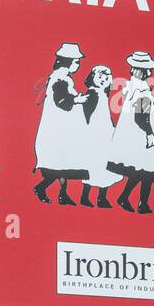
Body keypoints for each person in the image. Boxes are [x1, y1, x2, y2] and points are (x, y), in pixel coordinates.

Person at [106, 50, 154, 214]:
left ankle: (127, 198)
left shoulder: (131, 86)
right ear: (146, 71)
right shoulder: (142, 90)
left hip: (132, 135)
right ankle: (141, 203)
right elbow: (141, 116)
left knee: (141, 169)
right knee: (147, 169)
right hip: (141, 134)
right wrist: (149, 132)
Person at [33, 42, 89, 205]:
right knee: (60, 163)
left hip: (62, 128)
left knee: (64, 163)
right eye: (76, 62)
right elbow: (62, 101)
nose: (78, 65)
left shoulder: (61, 78)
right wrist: (78, 99)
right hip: (59, 129)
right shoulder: (60, 79)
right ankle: (43, 188)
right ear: (68, 61)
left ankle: (62, 194)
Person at [75, 65, 120, 208]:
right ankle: (86, 197)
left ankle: (101, 198)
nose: (103, 80)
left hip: (105, 135)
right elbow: (85, 116)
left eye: (106, 77)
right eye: (100, 77)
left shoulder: (102, 94)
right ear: (92, 78)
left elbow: (105, 116)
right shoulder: (93, 94)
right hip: (95, 136)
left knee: (105, 167)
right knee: (93, 166)